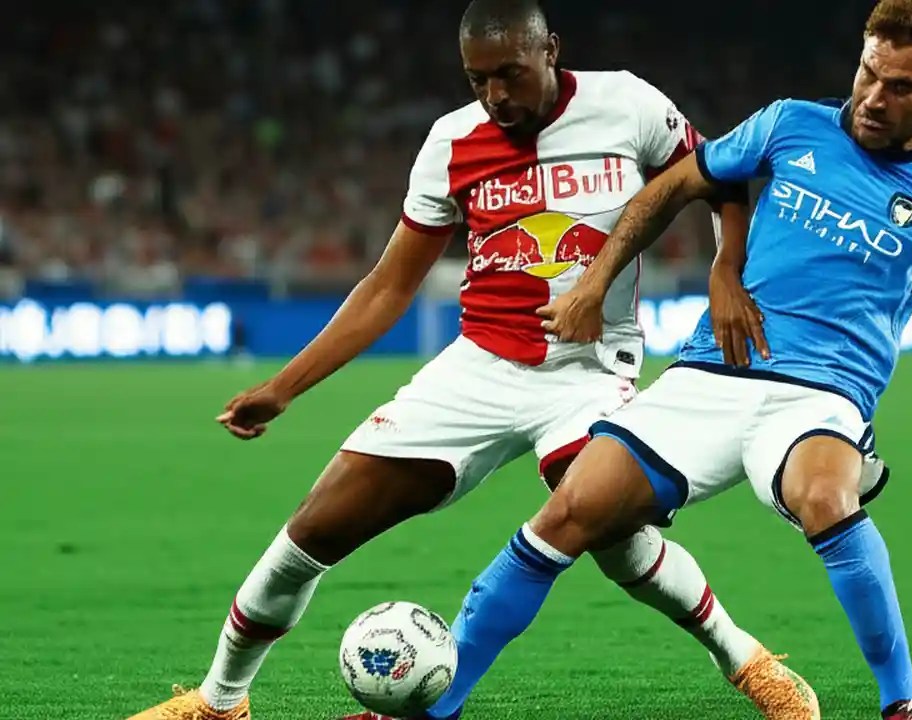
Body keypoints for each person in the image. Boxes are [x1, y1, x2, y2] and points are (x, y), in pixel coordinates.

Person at [412, 1, 912, 719]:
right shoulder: (790, 124)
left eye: (902, 87)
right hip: (710, 375)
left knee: (825, 500)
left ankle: (904, 702)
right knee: (567, 513)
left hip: (821, 395)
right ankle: (439, 706)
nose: (874, 98)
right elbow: (677, 184)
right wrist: (638, 277)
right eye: (869, 73)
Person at [126, 1, 823, 719]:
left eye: (510, 74)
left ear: (551, 50)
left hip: (589, 374)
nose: (495, 96)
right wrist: (285, 387)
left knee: (612, 533)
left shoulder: (628, 104)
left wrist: (725, 269)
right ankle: (219, 703)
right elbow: (389, 286)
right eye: (477, 80)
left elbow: (724, 176)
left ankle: (749, 662)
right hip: (478, 367)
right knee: (312, 530)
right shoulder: (452, 142)